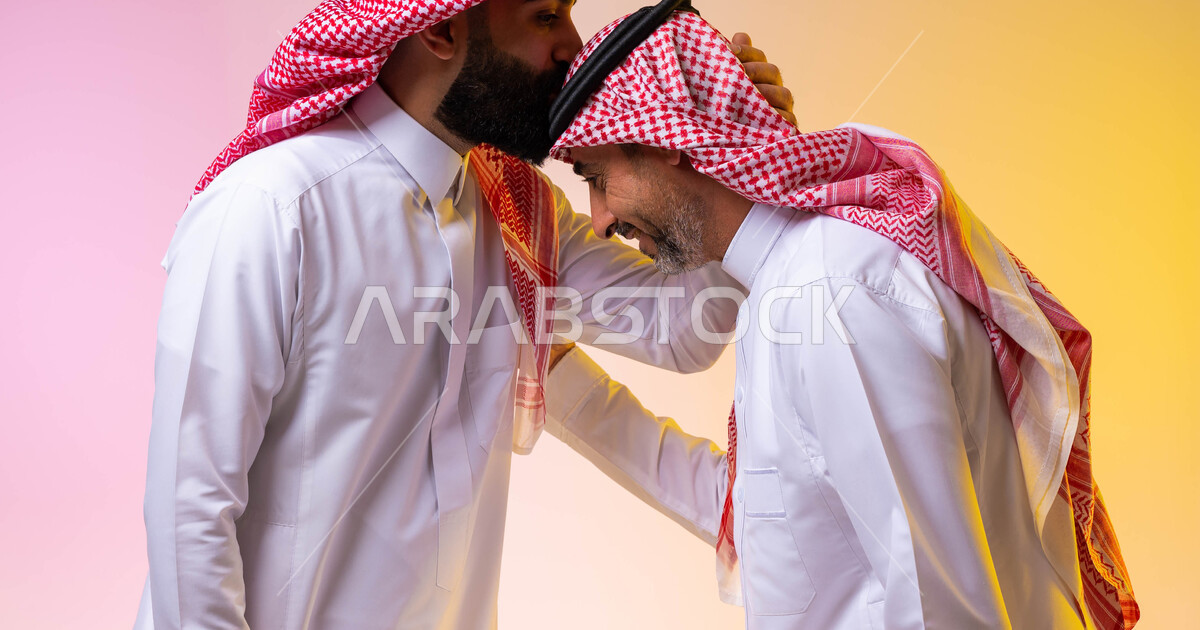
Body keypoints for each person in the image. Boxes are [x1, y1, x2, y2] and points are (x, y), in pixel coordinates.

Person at [136, 0, 796, 628]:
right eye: (546, 16)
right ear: (442, 29)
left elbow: (679, 330)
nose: (571, 45)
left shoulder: (513, 211)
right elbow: (187, 510)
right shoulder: (274, 207)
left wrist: (740, 164)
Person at [543, 9, 1139, 629]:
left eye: (598, 177)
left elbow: (940, 610)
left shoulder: (827, 291)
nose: (601, 217)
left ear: (668, 141)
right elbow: (772, 518)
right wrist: (557, 380)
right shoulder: (788, 285)